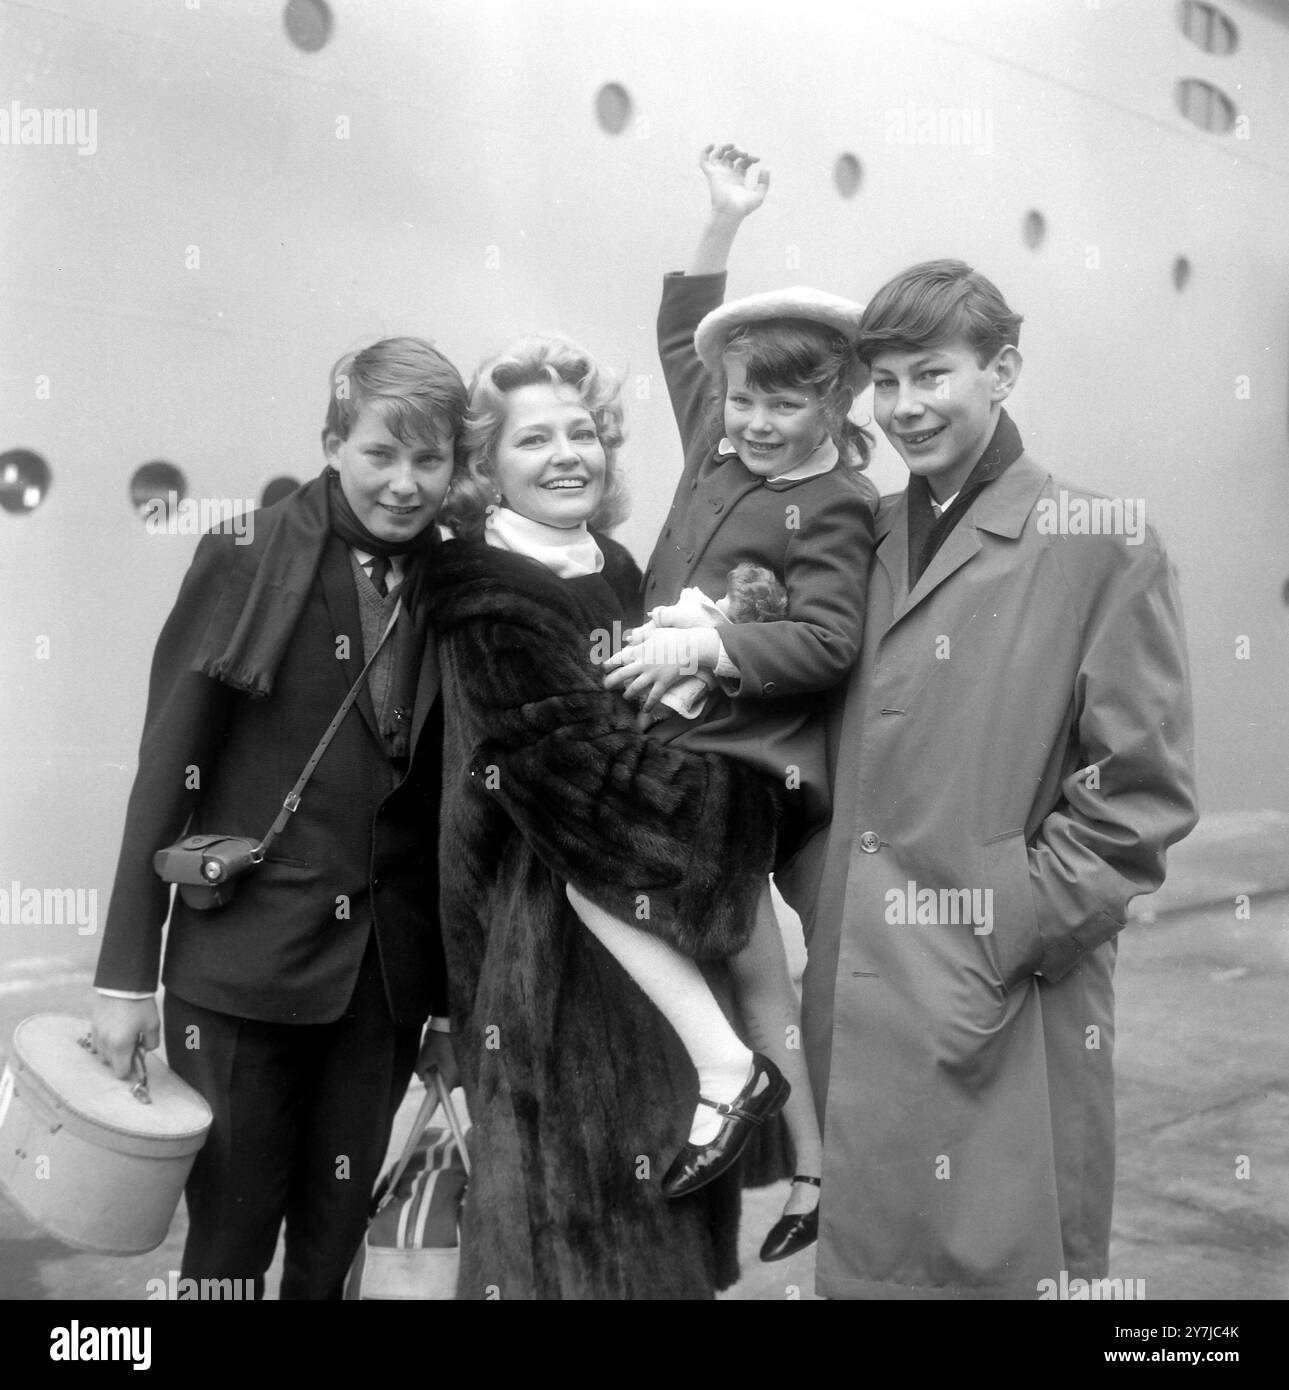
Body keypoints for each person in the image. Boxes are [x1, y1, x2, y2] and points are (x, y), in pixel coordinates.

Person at [794, 258, 1199, 1298]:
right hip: (856, 971)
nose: (903, 407)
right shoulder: (859, 535)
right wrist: (817, 883)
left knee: (1004, 1261)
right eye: (883, 382)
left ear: (1001, 370)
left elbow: (1137, 791)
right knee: (872, 1268)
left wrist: (1009, 923)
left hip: (1005, 987)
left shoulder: (1098, 541)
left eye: (932, 375)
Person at [89, 337, 465, 1299]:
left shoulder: (463, 584)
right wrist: (125, 977)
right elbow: (165, 770)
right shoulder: (246, 557)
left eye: (430, 460)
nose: (404, 484)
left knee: (335, 1240)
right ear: (333, 440)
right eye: (381, 453)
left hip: (384, 981)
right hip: (243, 966)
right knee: (228, 1240)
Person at [423, 335, 784, 1299]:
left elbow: (641, 748)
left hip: (654, 960)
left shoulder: (614, 569)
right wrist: (728, 768)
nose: (567, 454)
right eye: (532, 439)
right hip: (550, 975)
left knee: (660, 1231)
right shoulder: (487, 604)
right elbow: (593, 791)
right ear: (486, 468)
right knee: (573, 1252)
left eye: (582, 432)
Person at [598, 142, 879, 1260]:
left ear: (836, 400)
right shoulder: (713, 448)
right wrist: (721, 223)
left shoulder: (840, 502)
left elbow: (826, 640)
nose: (752, 422)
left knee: (590, 861)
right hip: (682, 725)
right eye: (740, 401)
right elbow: (683, 336)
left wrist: (714, 642)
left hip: (730, 750)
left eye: (781, 405)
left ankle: (736, 1094)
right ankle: (809, 1173)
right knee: (763, 979)